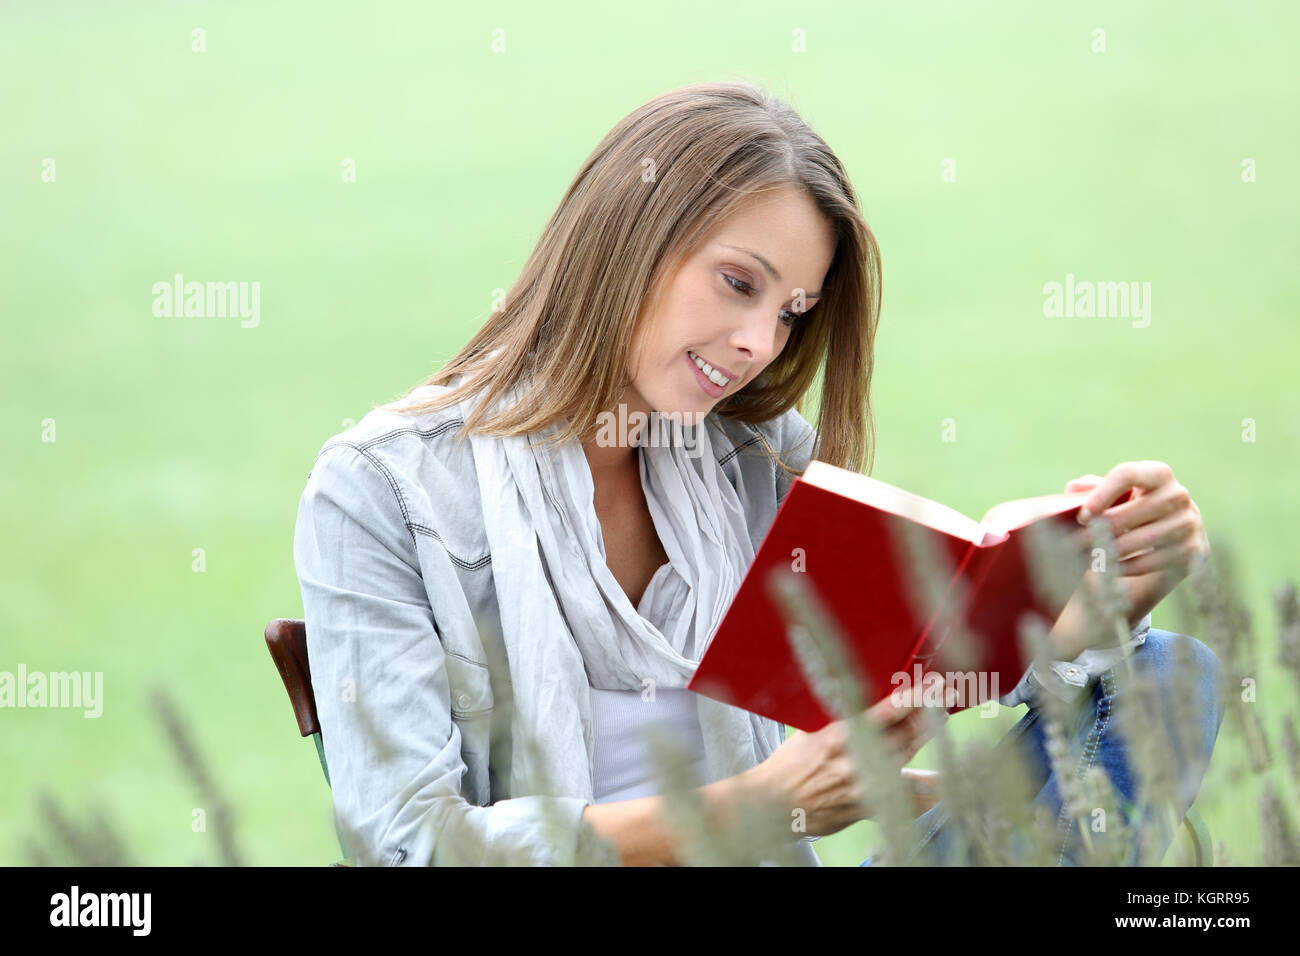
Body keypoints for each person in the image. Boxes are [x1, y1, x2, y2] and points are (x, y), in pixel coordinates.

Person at [292, 80, 1221, 867]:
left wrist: (1075, 599)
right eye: (740, 283)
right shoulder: (382, 488)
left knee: (1164, 675)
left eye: (791, 312)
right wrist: (748, 808)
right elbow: (407, 837)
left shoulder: (754, 453)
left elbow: (918, 679)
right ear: (629, 237)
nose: (756, 344)